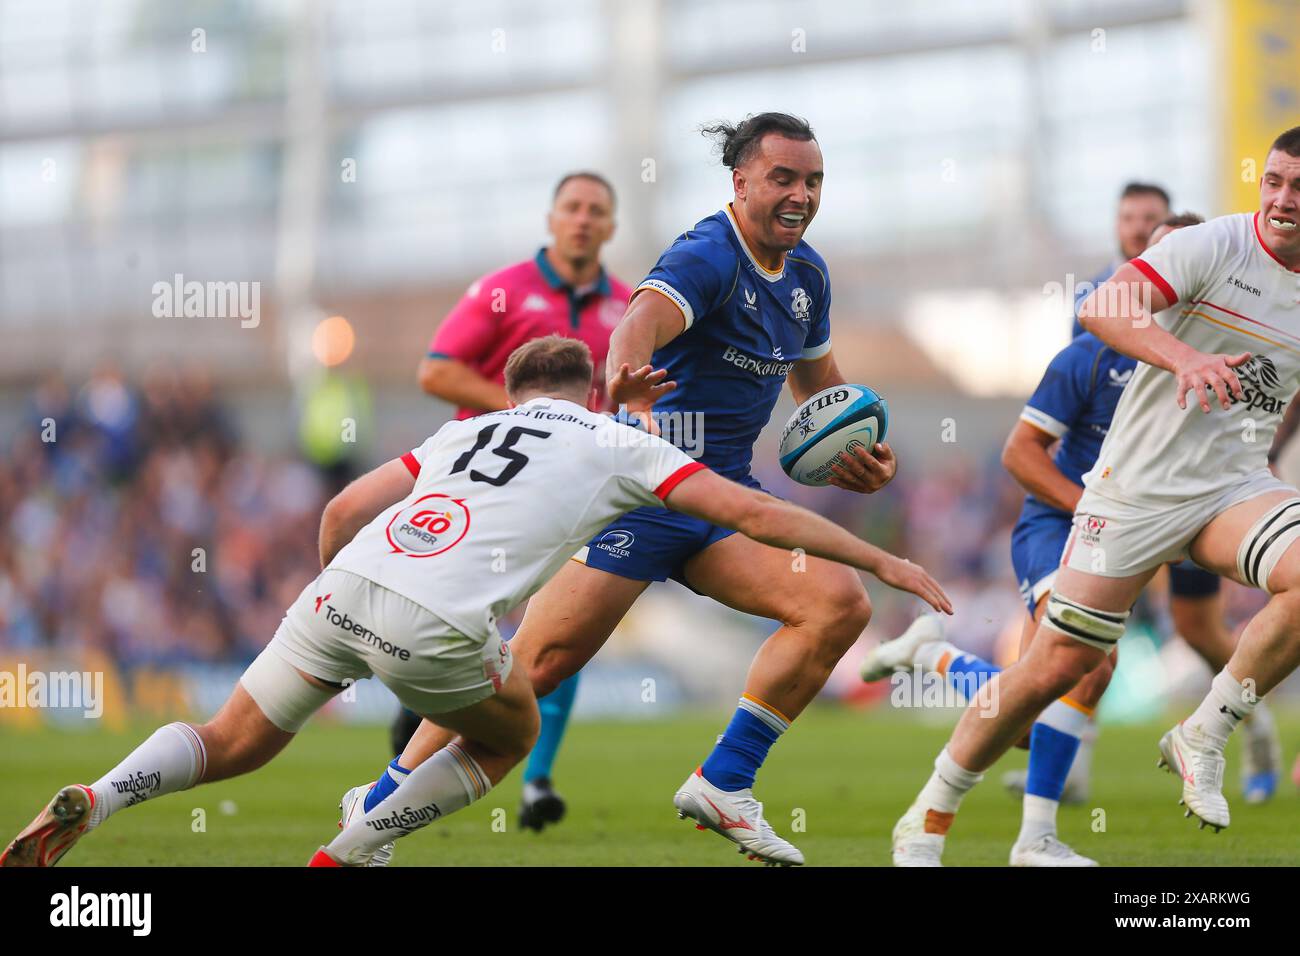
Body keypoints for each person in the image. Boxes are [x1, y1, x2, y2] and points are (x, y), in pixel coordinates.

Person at [2, 336, 949, 868]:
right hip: (434, 626)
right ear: (590, 394)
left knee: (230, 737)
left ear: (513, 390)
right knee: (508, 735)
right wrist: (881, 561)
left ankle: (101, 795)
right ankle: (351, 850)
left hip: (344, 585)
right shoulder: (619, 443)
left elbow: (339, 507)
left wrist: (336, 604)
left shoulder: (466, 432)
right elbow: (749, 511)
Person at [356, 112, 901, 867]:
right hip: (642, 490)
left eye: (812, 181)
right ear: (740, 182)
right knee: (530, 670)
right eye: (783, 178)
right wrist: (632, 391)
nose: (800, 194)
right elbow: (633, 331)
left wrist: (862, 449)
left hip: (721, 498)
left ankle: (724, 782)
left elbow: (821, 393)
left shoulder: (807, 275)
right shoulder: (711, 253)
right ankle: (379, 805)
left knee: (835, 603)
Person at [888, 126, 1300, 866]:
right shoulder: (1212, 246)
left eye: (1299, 188)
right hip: (1135, 492)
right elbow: (1103, 307)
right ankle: (929, 813)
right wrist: (1185, 358)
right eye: (1274, 181)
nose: (1282, 199)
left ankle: (1204, 732)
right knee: (1053, 669)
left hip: (1235, 485)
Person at [390, 171, 630, 832]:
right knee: (450, 618)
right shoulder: (503, 291)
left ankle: (538, 777)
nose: (583, 220)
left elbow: (622, 390)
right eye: (572, 208)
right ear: (552, 218)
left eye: (596, 211)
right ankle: (414, 732)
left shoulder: (627, 304)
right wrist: (533, 414)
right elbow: (436, 368)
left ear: (611, 227)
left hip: (568, 490)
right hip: (484, 487)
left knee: (564, 622)